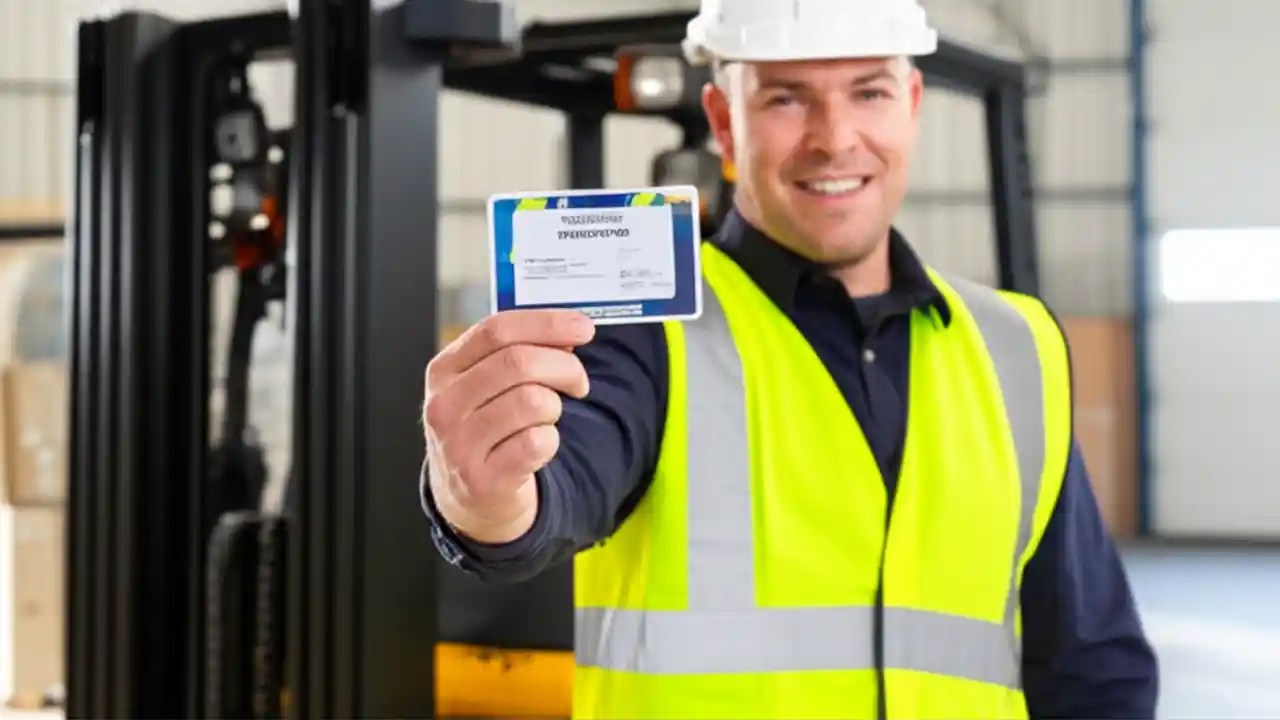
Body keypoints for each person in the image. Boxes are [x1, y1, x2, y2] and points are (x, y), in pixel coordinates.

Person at [419, 0, 1159, 717]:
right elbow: (556, 489)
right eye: (786, 100)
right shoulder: (644, 331)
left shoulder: (1018, 347)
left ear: (911, 104)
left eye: (867, 92)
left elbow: (1091, 664)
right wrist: (489, 504)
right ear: (723, 123)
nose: (834, 139)